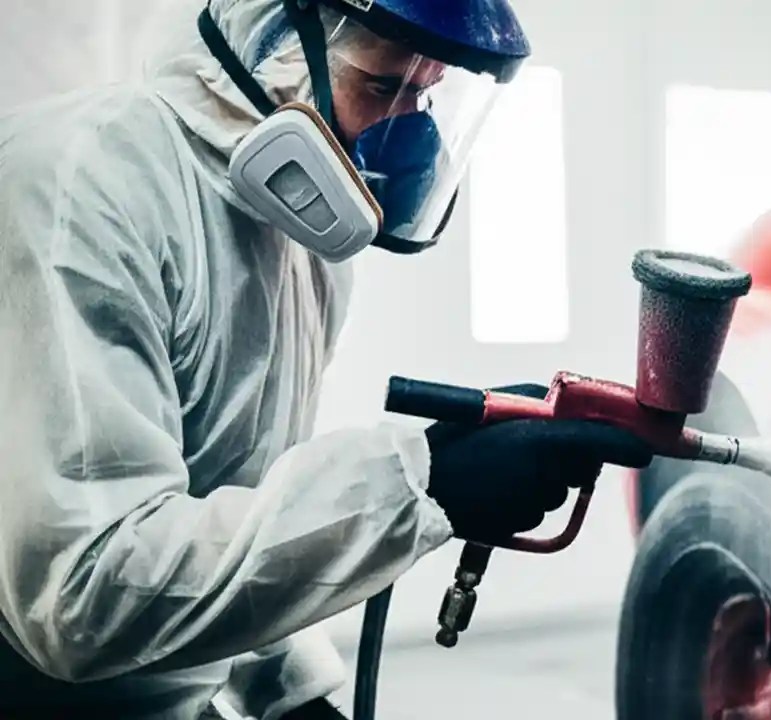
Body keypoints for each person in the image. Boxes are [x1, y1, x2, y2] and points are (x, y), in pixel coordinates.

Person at [0, 0, 653, 718]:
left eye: (426, 94)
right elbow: (80, 596)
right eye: (384, 87)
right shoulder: (81, 187)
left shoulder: (304, 252)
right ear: (269, 39)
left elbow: (231, 505)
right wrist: (423, 481)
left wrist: (286, 691)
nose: (415, 133)